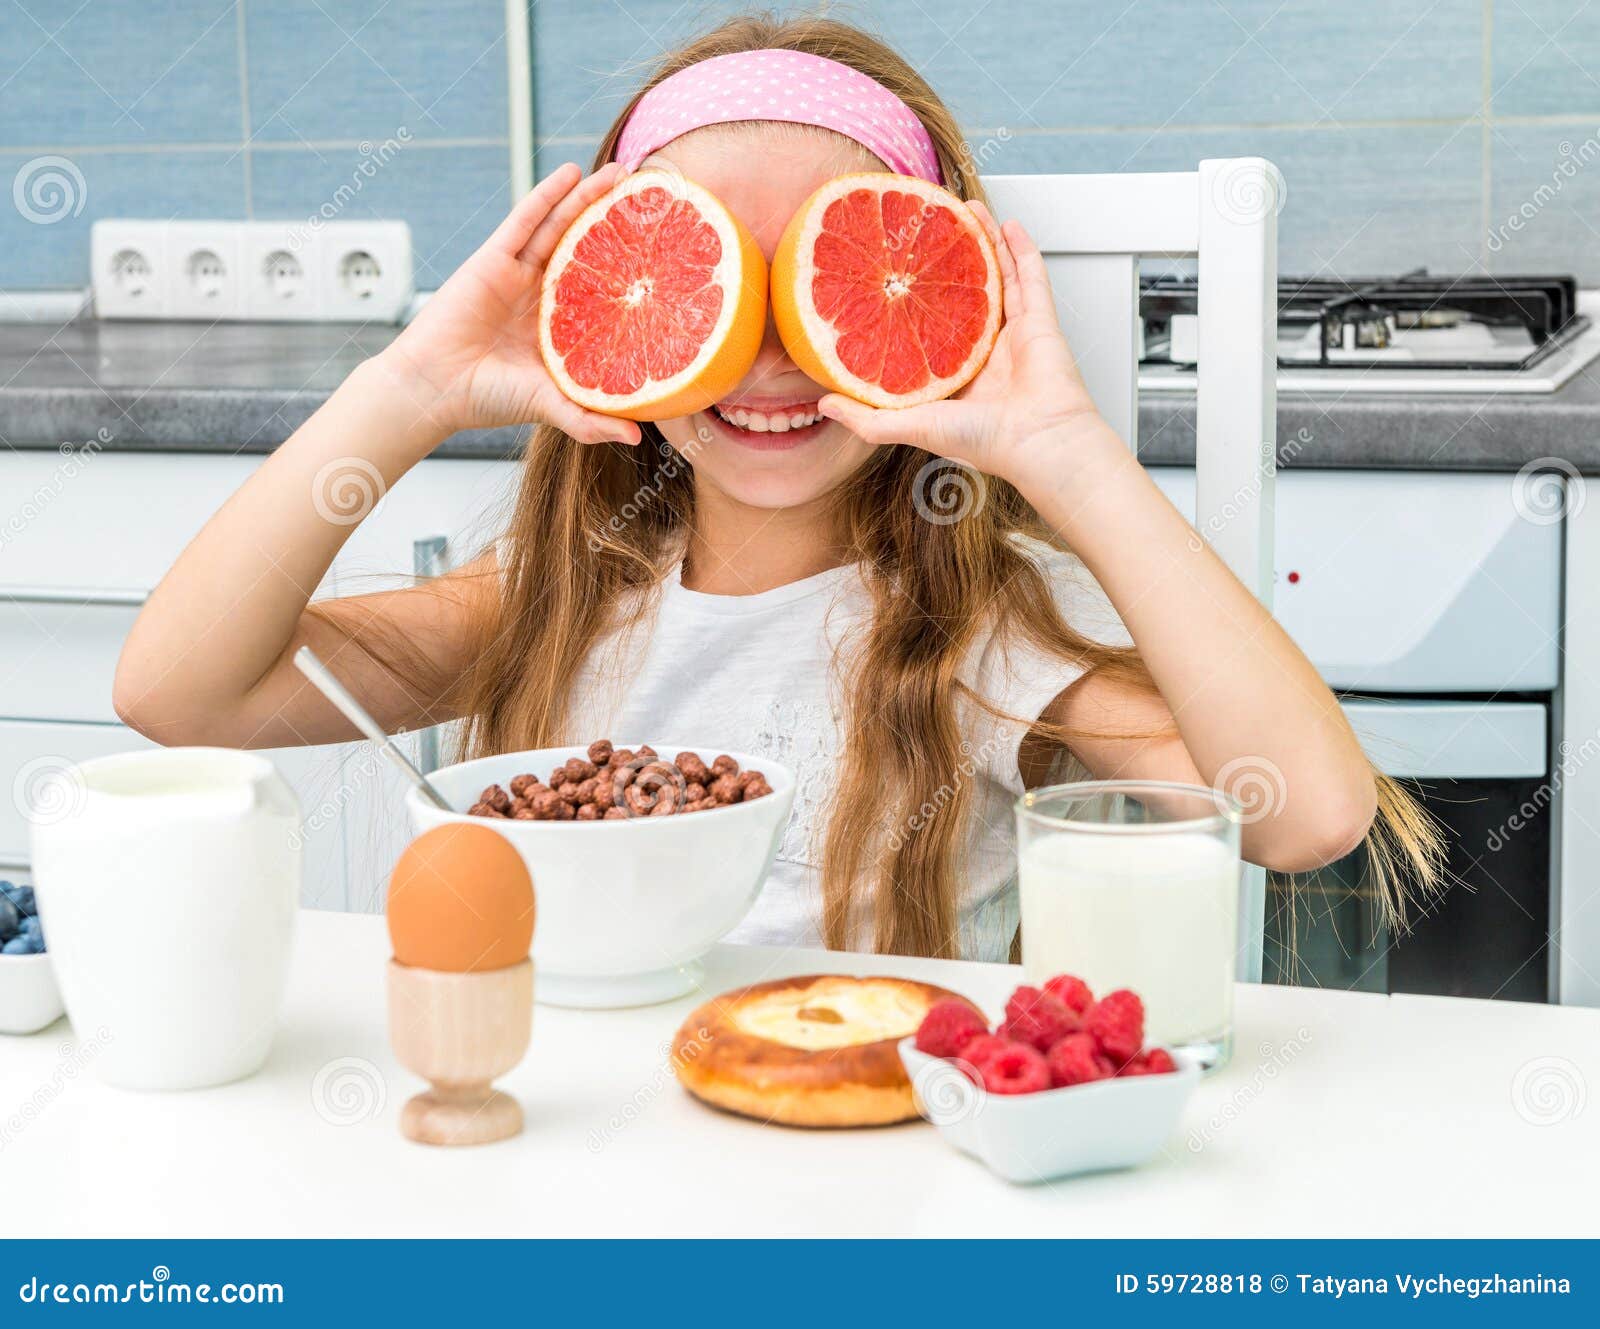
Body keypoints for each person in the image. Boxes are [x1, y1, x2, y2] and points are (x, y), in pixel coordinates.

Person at [115, 14, 1439, 962]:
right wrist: (409, 386)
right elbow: (179, 691)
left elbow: (1307, 815)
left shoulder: (976, 638)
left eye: (828, 286)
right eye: (707, 291)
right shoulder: (554, 602)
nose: (766, 355)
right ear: (626, 311)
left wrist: (1069, 456)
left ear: (922, 304)